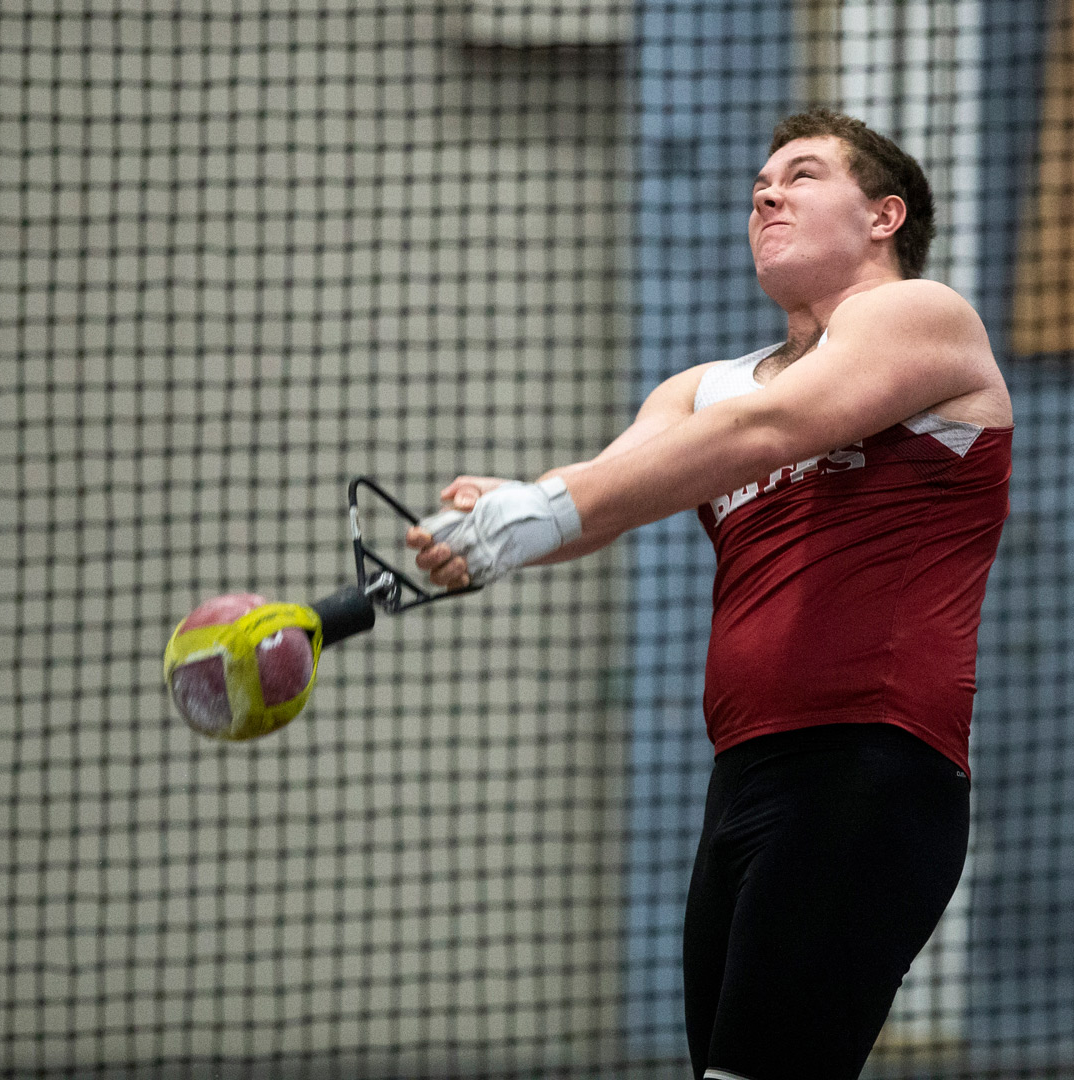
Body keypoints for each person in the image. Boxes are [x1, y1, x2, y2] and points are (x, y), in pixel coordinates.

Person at [406, 107, 1012, 1080]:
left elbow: (776, 428)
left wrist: (548, 506)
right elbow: (609, 496)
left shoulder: (921, 316)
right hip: (742, 787)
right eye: (759, 185)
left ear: (884, 217)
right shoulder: (701, 391)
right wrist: (499, 518)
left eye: (803, 175)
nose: (768, 193)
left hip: (870, 763)